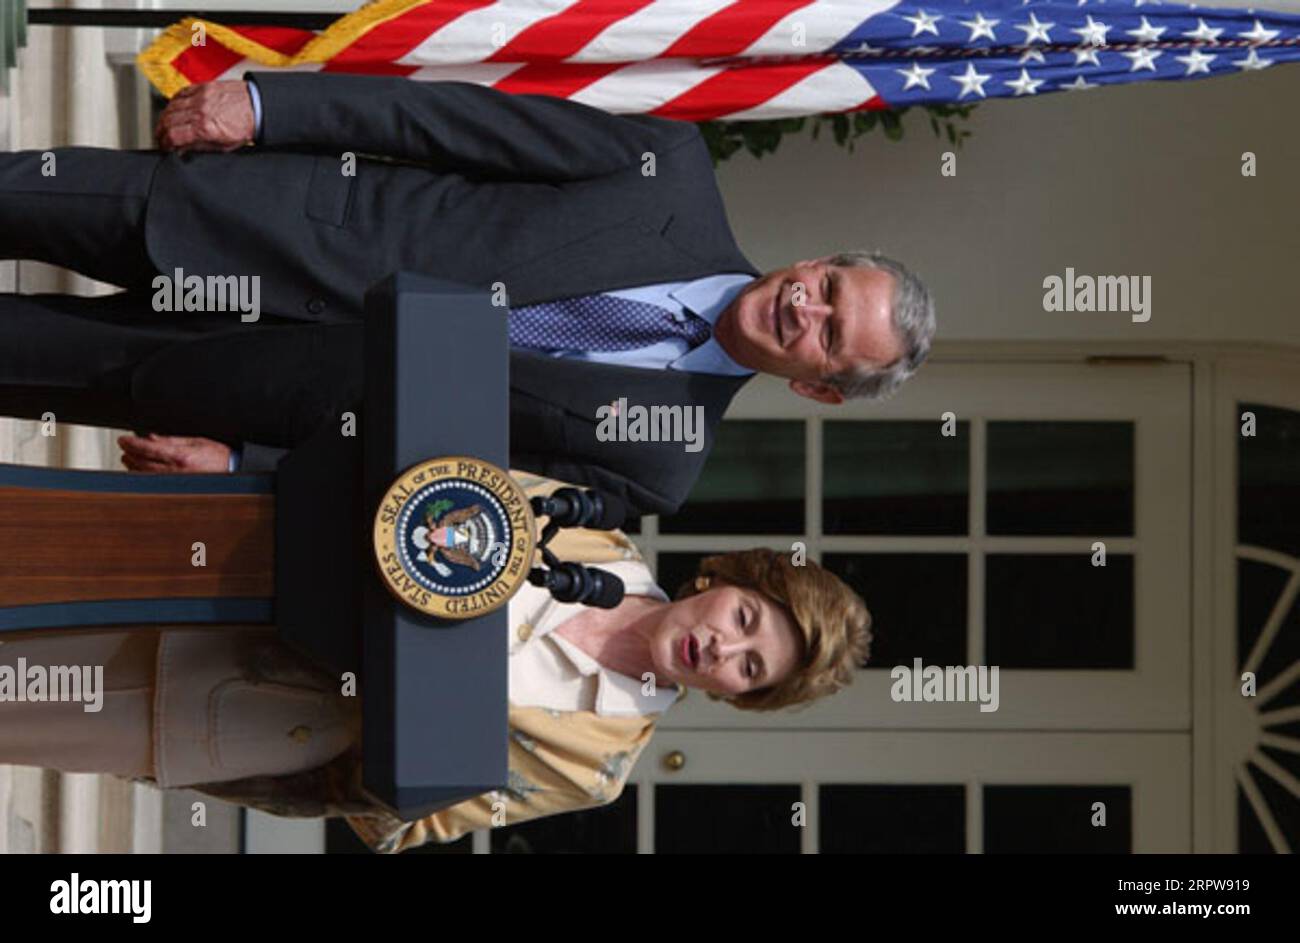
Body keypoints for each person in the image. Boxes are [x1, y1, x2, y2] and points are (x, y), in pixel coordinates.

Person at [0, 73, 935, 517]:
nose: (804, 307)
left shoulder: (659, 467)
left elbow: (435, 494)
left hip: (247, 385)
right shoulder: (667, 172)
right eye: (827, 285)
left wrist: (249, 464)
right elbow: (451, 123)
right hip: (249, 219)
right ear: (816, 261)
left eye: (828, 336)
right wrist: (272, 106)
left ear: (817, 387)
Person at [0, 473, 871, 853]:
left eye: (750, 668)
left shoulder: (597, 761)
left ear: (734, 696)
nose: (725, 645)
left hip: (238, 709)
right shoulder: (586, 527)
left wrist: (405, 733)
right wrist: (236, 471)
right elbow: (408, 486)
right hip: (235, 572)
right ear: (722, 577)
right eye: (745, 617)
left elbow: (400, 826)